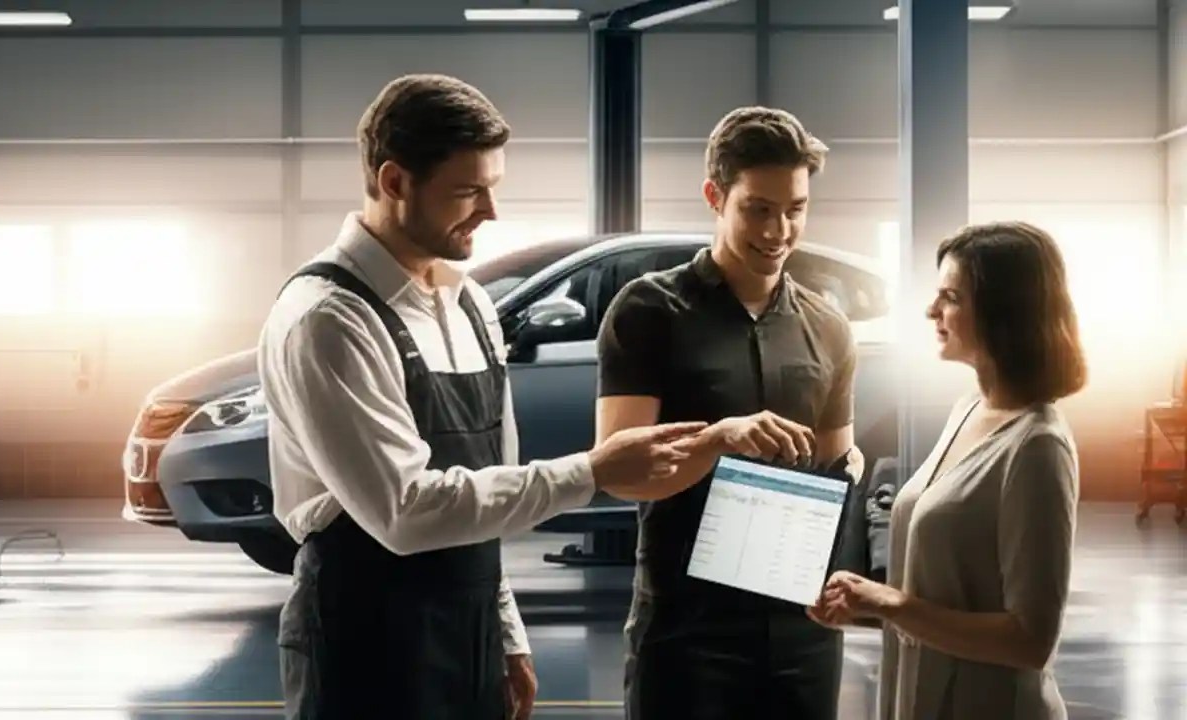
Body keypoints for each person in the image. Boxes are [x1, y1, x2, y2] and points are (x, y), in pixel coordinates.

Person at [257, 73, 706, 720]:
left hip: (469, 633)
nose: (490, 213)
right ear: (393, 182)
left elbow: (489, 487)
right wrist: (593, 472)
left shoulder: (468, 305)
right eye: (468, 191)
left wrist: (505, 632)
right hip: (364, 644)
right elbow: (406, 512)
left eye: (493, 188)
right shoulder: (328, 320)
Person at [596, 106, 862, 720]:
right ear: (716, 196)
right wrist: (719, 439)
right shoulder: (648, 311)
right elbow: (618, 471)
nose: (779, 230)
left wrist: (846, 470)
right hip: (688, 632)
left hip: (804, 629)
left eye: (795, 209)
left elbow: (834, 467)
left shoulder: (828, 326)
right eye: (758, 209)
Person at [808, 221, 1087, 720]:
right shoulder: (967, 409)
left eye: (951, 297)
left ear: (1004, 313)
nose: (932, 310)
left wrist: (891, 604)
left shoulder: (1038, 448)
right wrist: (866, 604)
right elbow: (943, 587)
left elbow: (1030, 641)